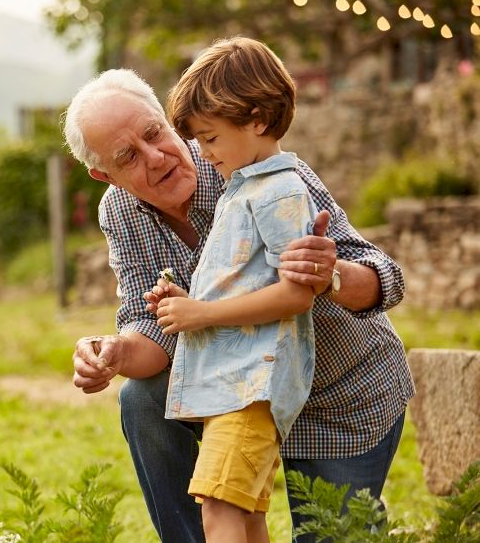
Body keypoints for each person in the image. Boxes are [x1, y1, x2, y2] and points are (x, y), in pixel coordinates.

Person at [63, 68, 414, 543]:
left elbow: (384, 276)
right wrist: (116, 353)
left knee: (333, 535)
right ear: (105, 174)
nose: (156, 156)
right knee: (142, 398)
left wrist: (328, 274)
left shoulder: (253, 162)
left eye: (154, 133)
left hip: (336, 394)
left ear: (168, 121)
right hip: (237, 395)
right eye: (129, 156)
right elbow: (152, 325)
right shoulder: (119, 211)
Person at [152, 37, 319, 542]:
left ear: (258, 120)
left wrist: (200, 314)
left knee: (219, 509)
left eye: (211, 139)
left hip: (253, 387)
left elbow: (297, 294)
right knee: (243, 513)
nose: (203, 154)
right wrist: (182, 299)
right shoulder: (243, 186)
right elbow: (242, 280)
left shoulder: (281, 190)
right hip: (232, 385)